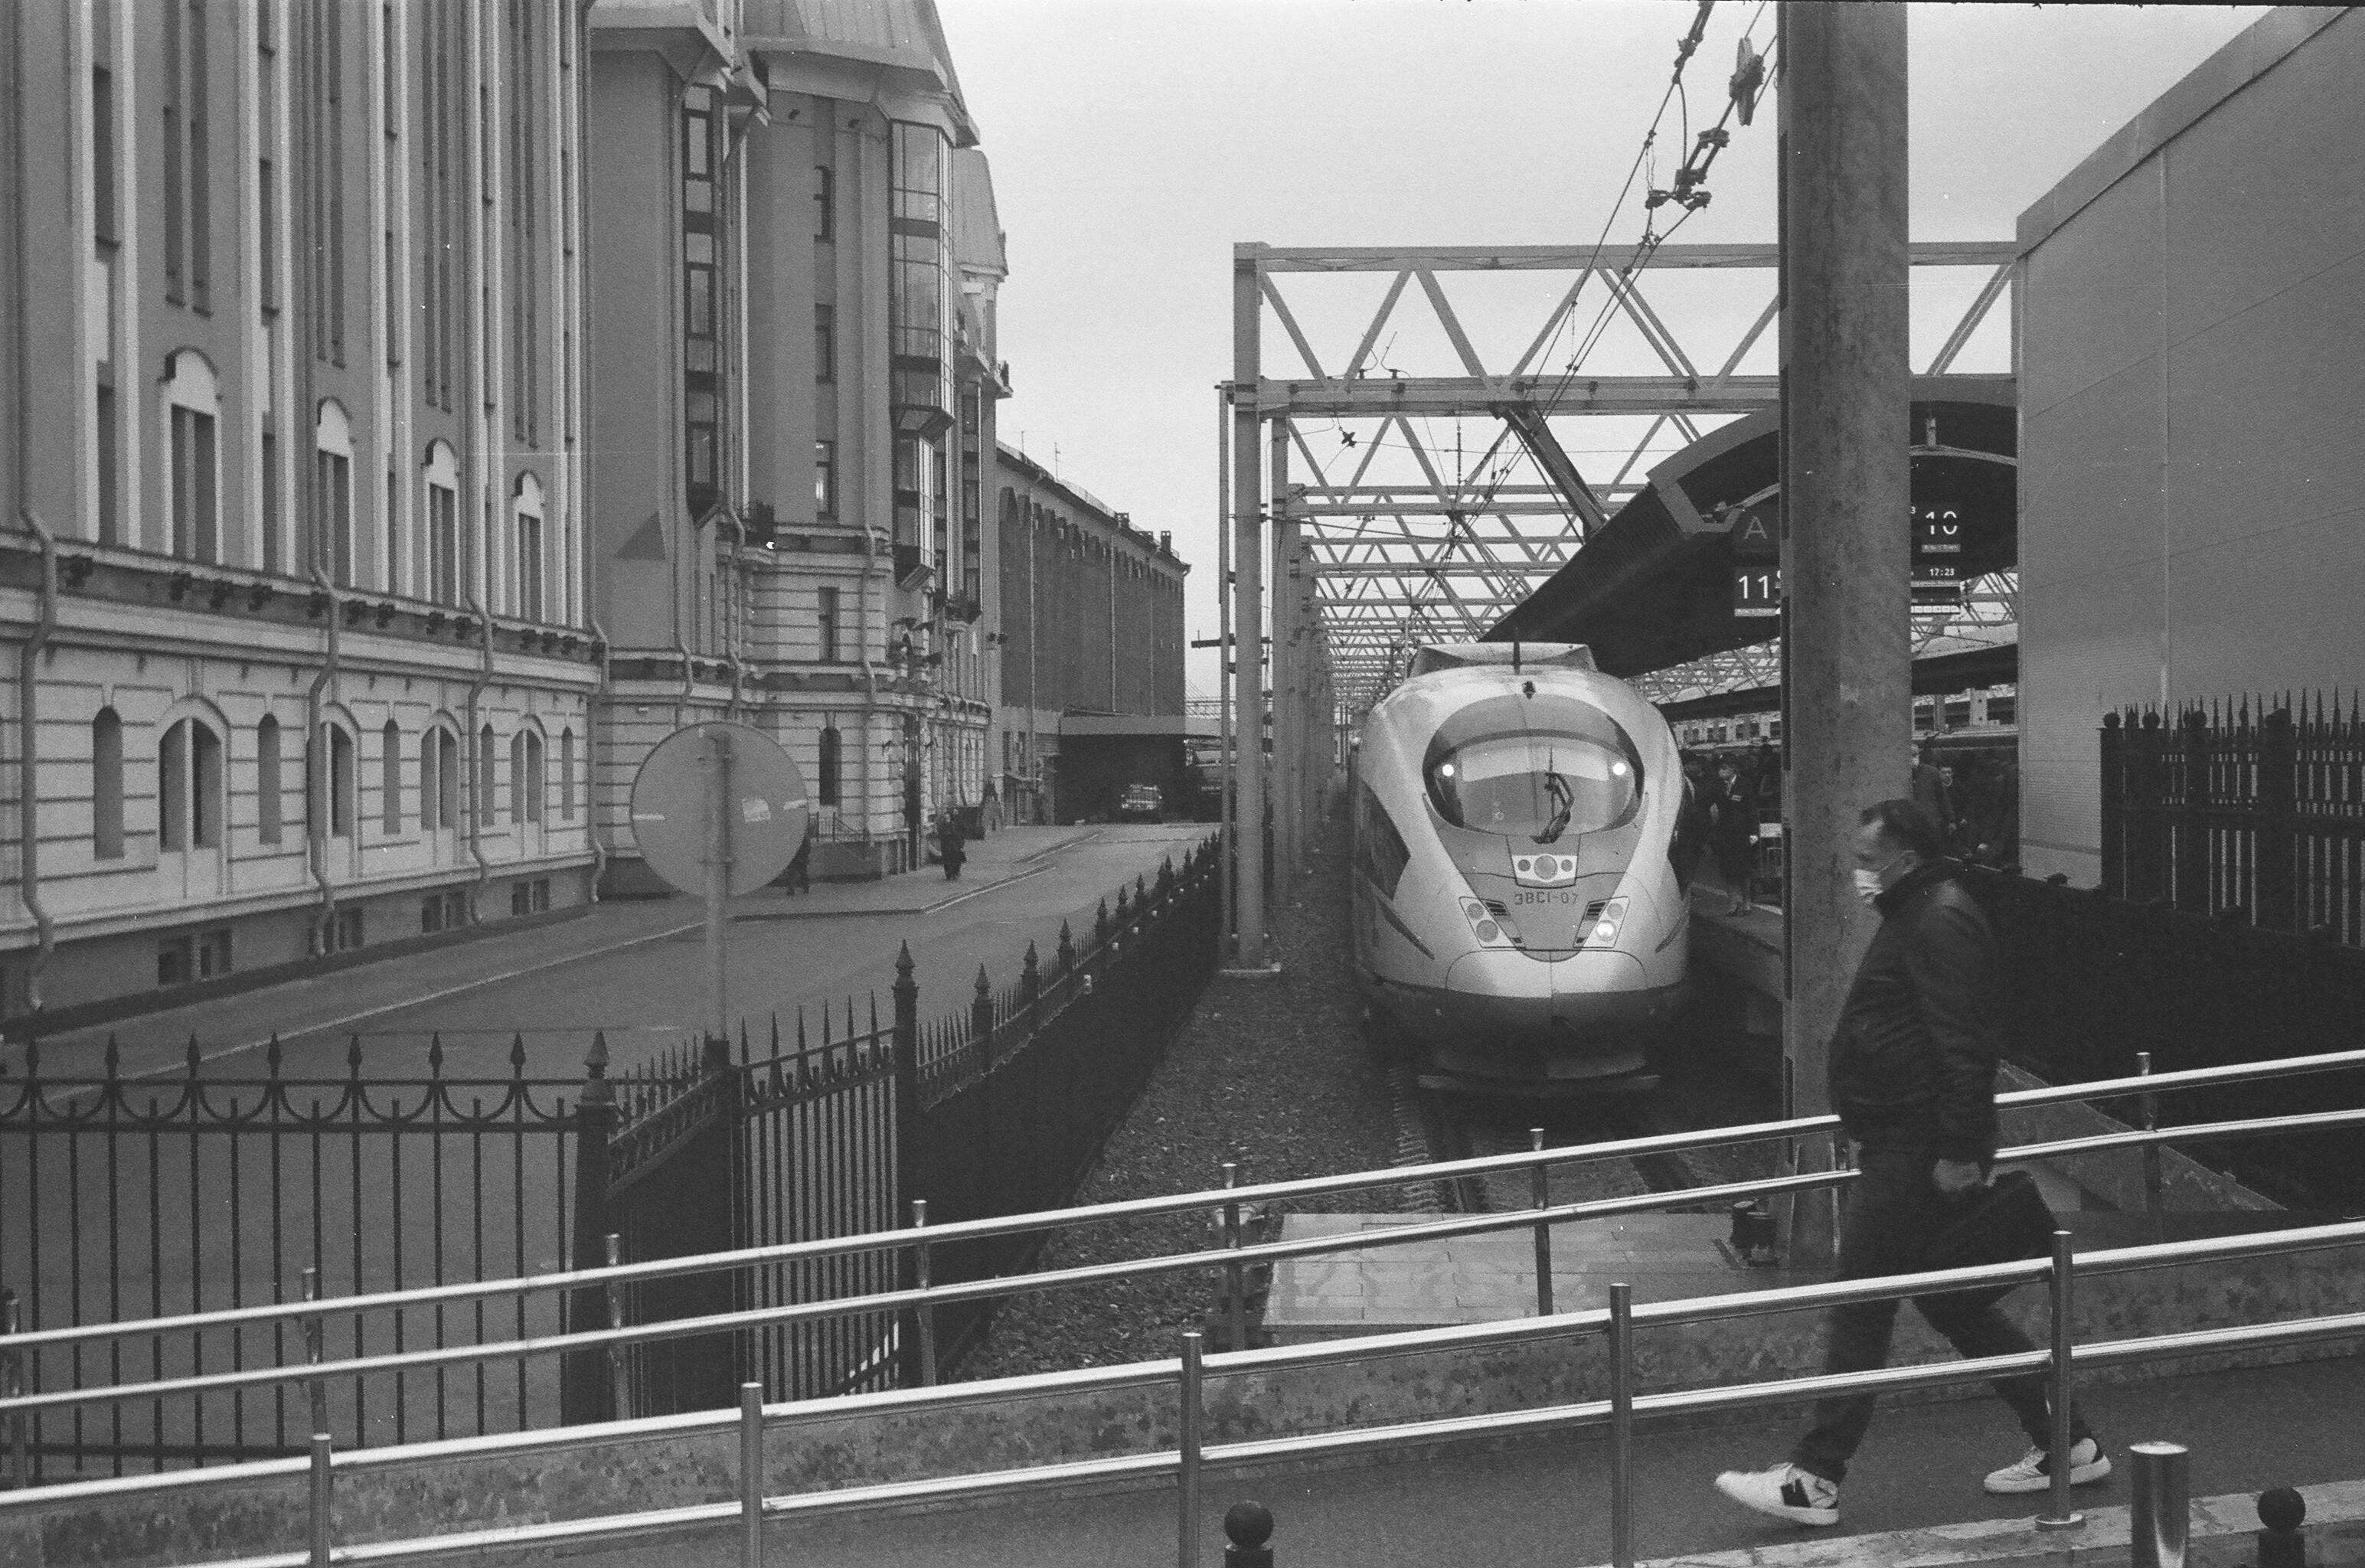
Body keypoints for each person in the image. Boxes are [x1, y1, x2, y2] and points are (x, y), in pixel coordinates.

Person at [1713, 799, 2109, 1527]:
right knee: (1951, 1302)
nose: (1858, 873)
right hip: (1910, 1142)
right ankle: (2069, 1443)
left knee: (1861, 1304)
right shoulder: (1917, 911)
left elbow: (1965, 1044)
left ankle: (1814, 1479)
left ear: (1904, 857)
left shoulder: (1938, 918)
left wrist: (1958, 1149)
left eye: (1867, 860)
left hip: (1917, 1148)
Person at [1710, 757, 1757, 916]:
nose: (1721, 771)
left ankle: (1746, 900)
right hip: (1723, 833)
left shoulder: (1745, 784)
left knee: (1743, 869)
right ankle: (1732, 902)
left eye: (1725, 768)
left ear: (1733, 768)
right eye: (1720, 768)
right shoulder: (1717, 786)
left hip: (1741, 833)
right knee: (1726, 869)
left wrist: (1754, 832)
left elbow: (1752, 809)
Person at [938, 809, 966, 881]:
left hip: (955, 846)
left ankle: (955, 874)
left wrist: (961, 845)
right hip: (946, 846)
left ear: (950, 818)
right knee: (947, 862)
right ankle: (949, 876)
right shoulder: (942, 826)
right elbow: (941, 835)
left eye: (948, 818)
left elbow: (959, 835)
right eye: (945, 818)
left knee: (955, 861)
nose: (947, 819)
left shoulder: (954, 825)